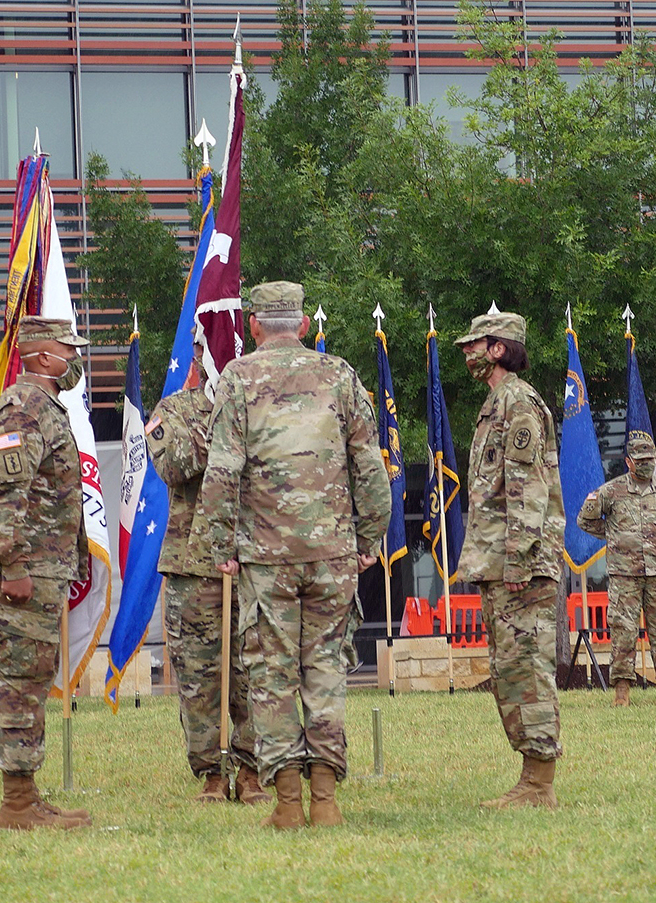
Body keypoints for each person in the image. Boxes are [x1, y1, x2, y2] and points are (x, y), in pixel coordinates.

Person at [193, 281, 390, 829]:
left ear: (254, 325)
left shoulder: (237, 378)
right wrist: (368, 539)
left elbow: (222, 471)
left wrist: (220, 545)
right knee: (325, 670)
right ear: (303, 326)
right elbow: (370, 468)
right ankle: (325, 800)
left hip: (266, 558)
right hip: (332, 553)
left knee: (272, 677)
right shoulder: (340, 375)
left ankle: (286, 804)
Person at [0, 316, 93, 830]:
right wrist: (13, 565)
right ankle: (16, 805)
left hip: (37, 566)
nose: (75, 359)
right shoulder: (23, 411)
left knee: (30, 678)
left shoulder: (42, 408)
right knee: (19, 682)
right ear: (41, 357)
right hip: (19, 570)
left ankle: (27, 796)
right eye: (68, 350)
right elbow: (2, 495)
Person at [145, 326, 269, 805]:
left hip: (253, 558)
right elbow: (173, 466)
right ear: (196, 355)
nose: (211, 355)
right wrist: (224, 425)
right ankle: (212, 774)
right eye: (205, 348)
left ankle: (253, 771)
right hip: (193, 564)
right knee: (199, 678)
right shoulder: (174, 409)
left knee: (253, 672)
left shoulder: (260, 403)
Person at [455, 311, 566, 810]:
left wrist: (519, 559)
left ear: (498, 348)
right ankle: (531, 776)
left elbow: (526, 489)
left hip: (519, 566)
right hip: (501, 563)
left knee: (527, 670)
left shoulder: (518, 402)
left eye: (474, 344)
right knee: (509, 670)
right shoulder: (496, 403)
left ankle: (539, 784)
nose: (467, 352)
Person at [577, 435, 656, 706]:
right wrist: (613, 534)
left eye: (650, 460)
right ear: (628, 462)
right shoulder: (610, 491)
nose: (646, 465)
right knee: (623, 631)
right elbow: (585, 520)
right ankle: (622, 690)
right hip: (624, 574)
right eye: (640, 461)